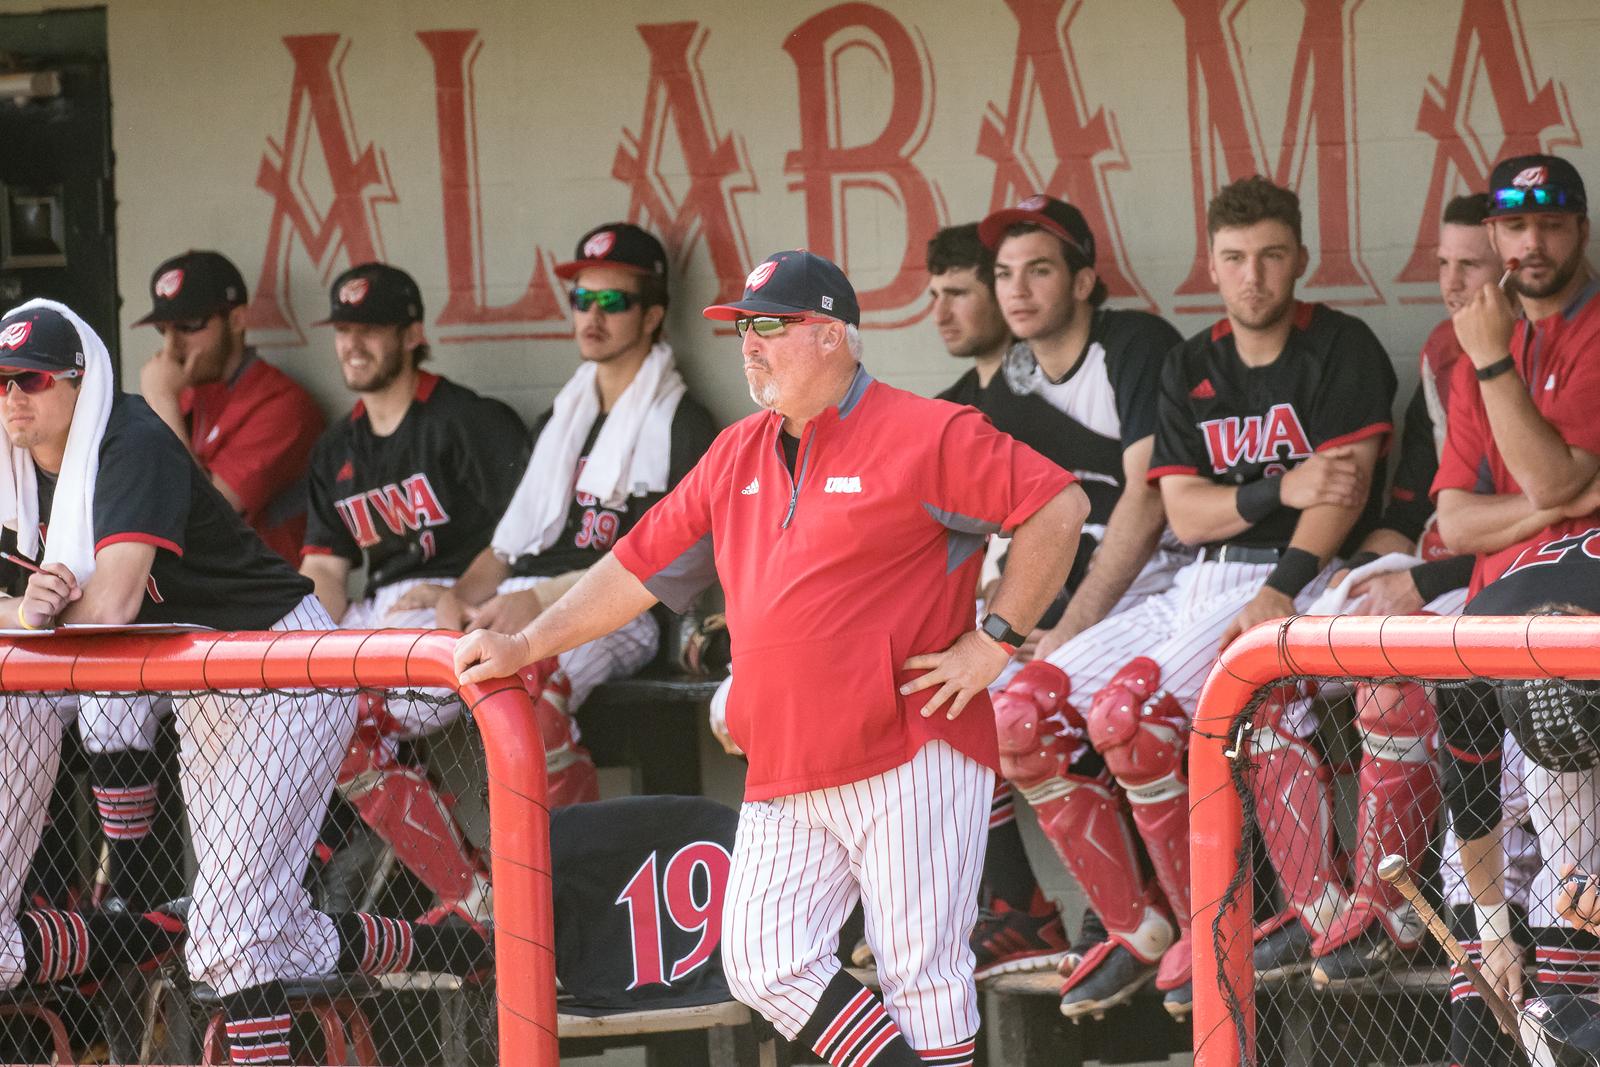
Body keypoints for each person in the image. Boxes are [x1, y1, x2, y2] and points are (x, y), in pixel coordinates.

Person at [456, 249, 1088, 1067]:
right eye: (741, 329)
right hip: (785, 763)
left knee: (922, 978)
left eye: (769, 327)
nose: (748, 345)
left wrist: (993, 641)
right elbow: (634, 569)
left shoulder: (928, 430)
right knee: (761, 962)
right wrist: (526, 642)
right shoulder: (734, 453)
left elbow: (1057, 505)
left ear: (831, 335)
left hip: (914, 747)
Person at [0, 300, 488, 1067]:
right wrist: (27, 609)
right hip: (207, 681)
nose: (12, 398)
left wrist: (29, 614)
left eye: (30, 378)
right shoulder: (20, 472)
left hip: (280, 666)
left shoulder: (125, 439)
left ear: (80, 380)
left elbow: (112, 606)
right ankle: (463, 944)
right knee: (264, 928)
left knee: (229, 931)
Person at [992, 176, 1395, 1020]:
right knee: (1018, 716)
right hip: (1195, 575)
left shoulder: (1341, 346)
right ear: (1212, 265)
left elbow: (1342, 496)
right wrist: (1282, 482)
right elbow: (1184, 510)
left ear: (1301, 260)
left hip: (1294, 576)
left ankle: (1219, 921)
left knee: (1129, 717)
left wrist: (1282, 580)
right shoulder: (1191, 363)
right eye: (1237, 258)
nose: (1255, 276)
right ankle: (1146, 925)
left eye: (1272, 256)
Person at [1299, 194, 1506, 991]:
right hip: (1437, 563)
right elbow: (1420, 502)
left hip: (1492, 580)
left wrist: (1418, 580)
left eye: (1472, 266)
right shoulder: (1441, 347)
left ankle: (1388, 910)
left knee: (1394, 683)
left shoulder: (1552, 352)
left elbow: (1528, 525)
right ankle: (1324, 912)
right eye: (1445, 265)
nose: (1452, 284)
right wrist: (1377, 565)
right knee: (1277, 668)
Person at [300, 262, 529, 922]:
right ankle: (464, 885)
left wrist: (456, 590)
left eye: (370, 329)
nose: (352, 344)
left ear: (412, 333)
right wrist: (303, 644)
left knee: (351, 716)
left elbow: (525, 536)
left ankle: (468, 890)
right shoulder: (336, 449)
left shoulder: (466, 420)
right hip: (383, 611)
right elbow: (327, 572)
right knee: (302, 707)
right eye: (343, 330)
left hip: (457, 607)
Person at [433, 221, 716, 713]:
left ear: (652, 316)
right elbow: (504, 548)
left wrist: (542, 600)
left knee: (532, 695)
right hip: (521, 596)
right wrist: (452, 599)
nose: (591, 315)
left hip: (618, 610)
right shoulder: (559, 419)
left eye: (611, 303)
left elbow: (667, 564)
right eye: (581, 300)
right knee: (383, 685)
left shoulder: (682, 423)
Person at [1435, 154, 1600, 594]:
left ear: (1582, 231)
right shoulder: (1483, 347)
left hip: (1583, 591)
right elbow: (1455, 526)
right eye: (1515, 227)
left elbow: (1552, 482)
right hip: (1500, 598)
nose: (1532, 243)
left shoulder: (1490, 351)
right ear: (1492, 234)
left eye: (1551, 224)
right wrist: (1562, 505)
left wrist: (1492, 361)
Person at [136, 250, 324, 564]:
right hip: (199, 588)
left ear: (236, 319)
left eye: (189, 325)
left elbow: (208, 516)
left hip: (265, 594)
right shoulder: (185, 395)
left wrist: (162, 402)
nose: (171, 348)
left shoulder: (284, 405)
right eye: (163, 330)